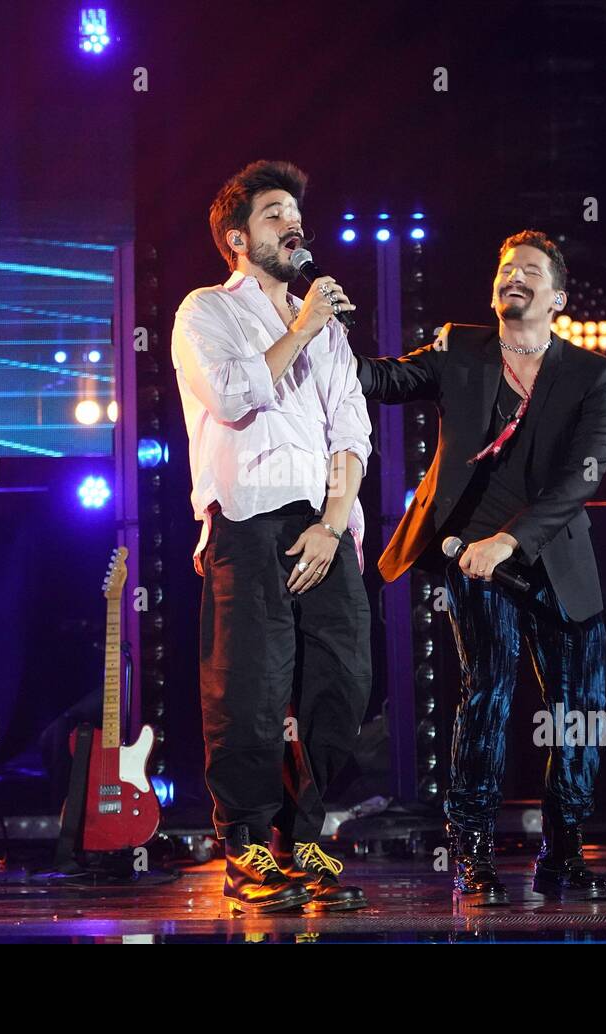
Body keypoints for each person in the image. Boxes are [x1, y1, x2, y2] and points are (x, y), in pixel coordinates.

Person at [354, 231, 606, 904]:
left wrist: (513, 539)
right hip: (470, 559)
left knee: (579, 714)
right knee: (488, 692)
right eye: (507, 269)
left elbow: (581, 478)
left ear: (557, 298)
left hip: (553, 559)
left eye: (531, 271)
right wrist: (311, 330)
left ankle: (563, 850)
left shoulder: (595, 375)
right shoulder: (462, 349)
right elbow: (379, 379)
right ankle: (472, 851)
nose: (515, 277)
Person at [171, 161, 373, 912]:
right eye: (274, 214)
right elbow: (229, 396)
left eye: (296, 212)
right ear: (236, 238)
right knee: (248, 694)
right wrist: (301, 327)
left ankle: (308, 836)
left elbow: (352, 429)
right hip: (247, 521)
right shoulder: (206, 312)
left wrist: (331, 520)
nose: (293, 225)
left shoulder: (326, 325)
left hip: (323, 526)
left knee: (342, 682)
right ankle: (247, 846)